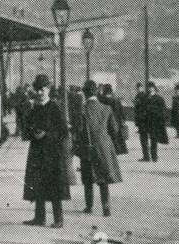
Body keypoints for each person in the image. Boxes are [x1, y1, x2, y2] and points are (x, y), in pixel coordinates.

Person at [22, 74, 70, 227]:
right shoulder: (35, 108)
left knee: (54, 185)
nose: (40, 93)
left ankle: (58, 219)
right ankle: (39, 218)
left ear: (48, 90)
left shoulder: (55, 108)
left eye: (42, 90)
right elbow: (25, 129)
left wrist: (46, 135)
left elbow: (63, 132)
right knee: (37, 185)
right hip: (37, 152)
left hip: (52, 153)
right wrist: (32, 133)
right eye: (38, 90)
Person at [77, 79, 123, 216]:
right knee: (103, 178)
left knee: (88, 178)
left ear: (85, 93)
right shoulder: (107, 108)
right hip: (103, 146)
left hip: (87, 146)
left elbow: (79, 130)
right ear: (96, 92)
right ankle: (106, 208)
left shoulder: (83, 109)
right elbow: (114, 129)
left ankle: (89, 206)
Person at [137, 80, 169, 162]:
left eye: (151, 88)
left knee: (153, 139)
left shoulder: (159, 99)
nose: (150, 89)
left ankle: (154, 156)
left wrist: (161, 120)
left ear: (154, 88)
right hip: (144, 122)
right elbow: (139, 109)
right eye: (149, 88)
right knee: (143, 139)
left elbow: (163, 111)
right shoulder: (144, 98)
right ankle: (146, 156)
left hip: (154, 122)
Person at [101, 83, 128, 155]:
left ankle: (110, 150)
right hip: (116, 120)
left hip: (106, 120)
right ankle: (118, 150)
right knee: (117, 135)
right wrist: (123, 119)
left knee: (108, 136)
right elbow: (121, 110)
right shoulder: (116, 100)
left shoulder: (102, 100)